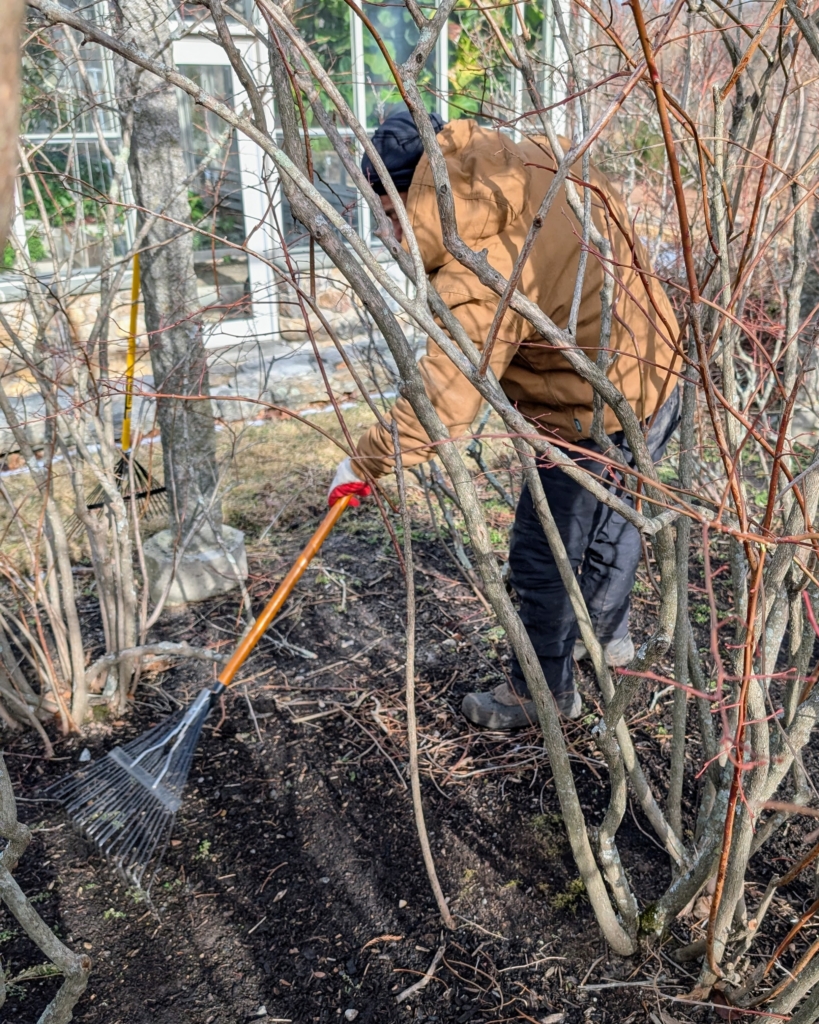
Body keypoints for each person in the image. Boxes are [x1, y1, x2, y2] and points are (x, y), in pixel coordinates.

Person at [328, 110, 680, 730]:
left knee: (543, 553)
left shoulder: (479, 264)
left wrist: (363, 462)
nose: (386, 233)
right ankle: (602, 641)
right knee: (615, 523)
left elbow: (443, 405)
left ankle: (542, 694)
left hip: (585, 408)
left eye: (387, 214)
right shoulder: (540, 154)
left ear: (414, 195)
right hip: (658, 373)